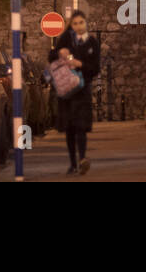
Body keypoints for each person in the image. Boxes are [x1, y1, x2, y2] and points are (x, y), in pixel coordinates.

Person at [48, 10, 99, 175]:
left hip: (83, 89)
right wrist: (59, 53)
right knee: (70, 128)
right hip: (67, 90)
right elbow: (51, 56)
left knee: (81, 127)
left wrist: (80, 64)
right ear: (71, 25)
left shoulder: (92, 43)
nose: (78, 26)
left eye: (81, 23)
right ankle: (72, 164)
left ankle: (82, 159)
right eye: (75, 23)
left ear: (86, 23)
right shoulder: (66, 39)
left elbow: (95, 68)